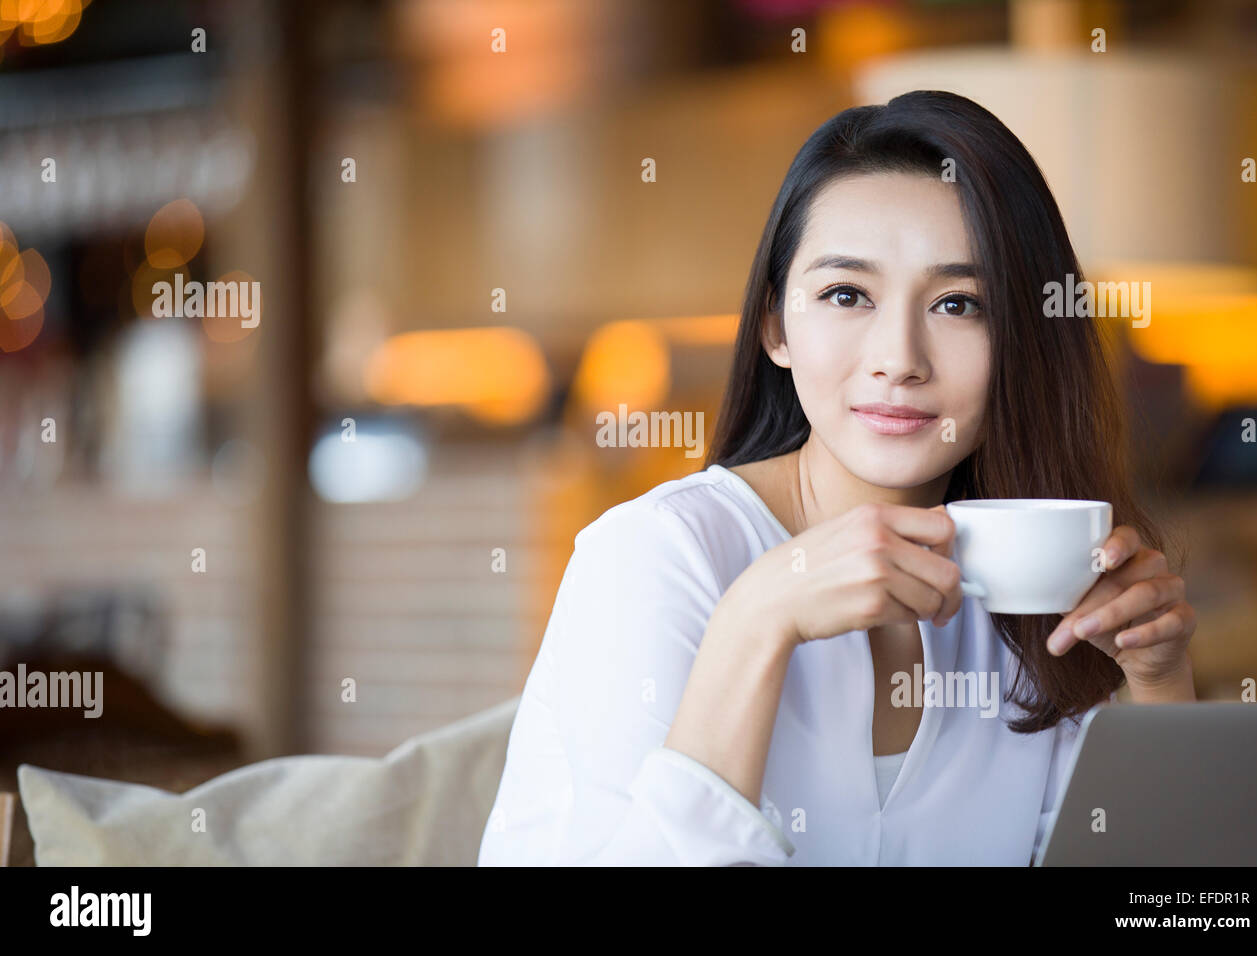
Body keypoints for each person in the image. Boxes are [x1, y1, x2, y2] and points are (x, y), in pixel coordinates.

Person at [478, 90, 1197, 866]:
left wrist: (1161, 685)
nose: (899, 358)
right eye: (846, 294)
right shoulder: (656, 557)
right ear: (774, 327)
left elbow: (1174, 915)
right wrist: (756, 620)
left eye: (959, 304)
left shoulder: (1033, 593)